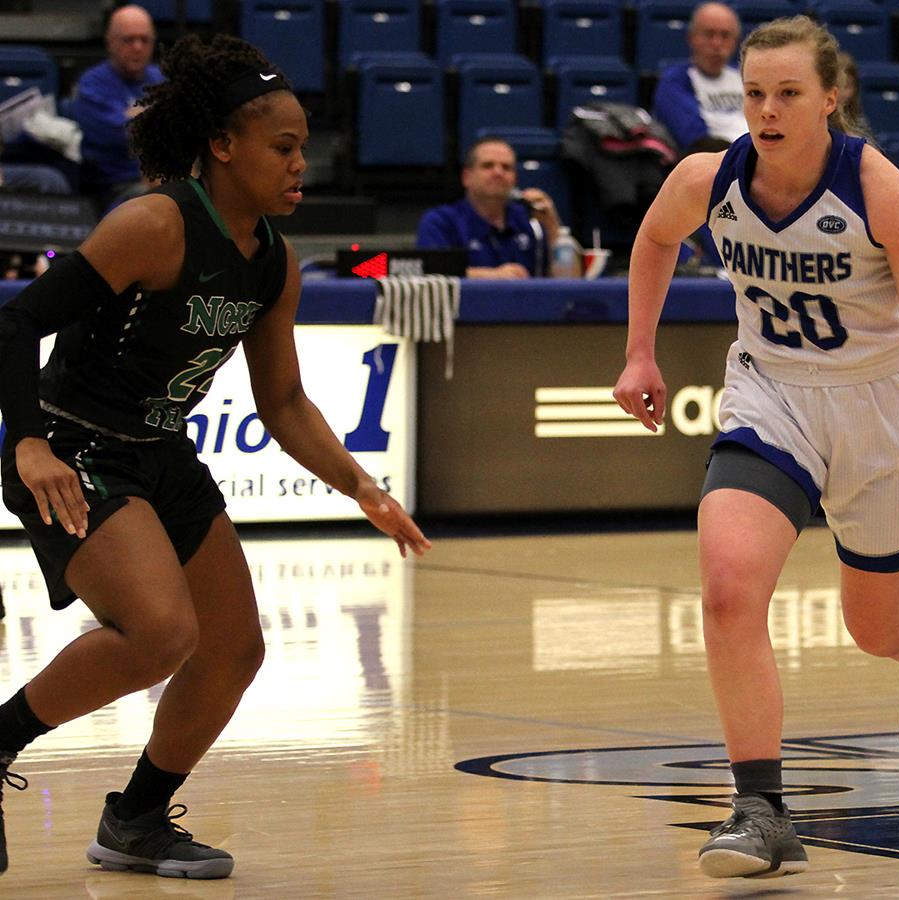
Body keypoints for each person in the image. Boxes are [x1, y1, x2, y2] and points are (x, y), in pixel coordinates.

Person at [612, 15, 899, 880]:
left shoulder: (878, 191)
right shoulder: (709, 178)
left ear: (829, 100)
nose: (766, 111)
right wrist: (638, 349)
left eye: (788, 94)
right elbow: (655, 239)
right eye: (755, 94)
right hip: (772, 399)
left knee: (875, 629)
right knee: (730, 588)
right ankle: (761, 810)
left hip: (888, 415)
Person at [0, 34, 431, 881]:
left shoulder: (275, 261)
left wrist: (361, 486)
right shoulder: (154, 223)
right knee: (160, 633)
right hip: (76, 443)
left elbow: (283, 404)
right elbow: (15, 323)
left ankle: (137, 818)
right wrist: (26, 443)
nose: (300, 162)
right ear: (223, 147)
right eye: (283, 146)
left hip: (162, 452)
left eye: (304, 145)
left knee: (234, 650)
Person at [416, 137, 563, 279]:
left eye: (506, 168)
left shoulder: (530, 220)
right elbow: (431, 274)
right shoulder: (441, 222)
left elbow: (569, 279)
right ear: (466, 177)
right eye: (488, 166)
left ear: (515, 179)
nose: (498, 173)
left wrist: (553, 229)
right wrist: (494, 276)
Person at [73, 5, 163, 207]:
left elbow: (184, 127)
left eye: (144, 40)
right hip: (115, 187)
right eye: (128, 40)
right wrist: (156, 118)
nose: (138, 47)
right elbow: (116, 135)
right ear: (110, 42)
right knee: (161, 198)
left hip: (163, 177)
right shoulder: (92, 83)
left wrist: (135, 116)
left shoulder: (160, 79)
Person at [652, 2, 747, 153]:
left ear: (735, 42)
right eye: (709, 34)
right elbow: (695, 139)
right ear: (692, 38)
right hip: (715, 160)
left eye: (725, 35)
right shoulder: (675, 81)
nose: (717, 44)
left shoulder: (745, 76)